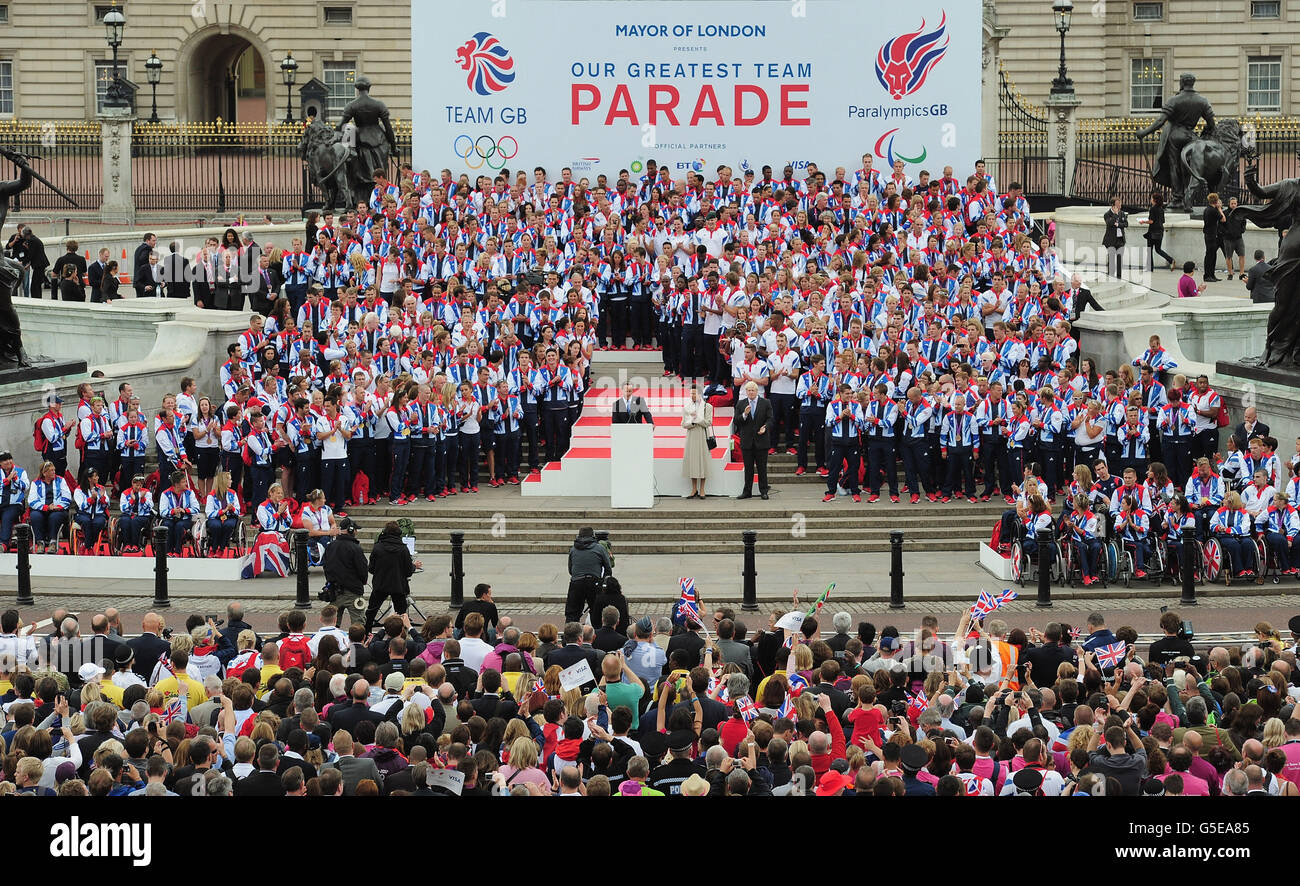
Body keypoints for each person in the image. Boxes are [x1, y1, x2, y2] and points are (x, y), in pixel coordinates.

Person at [365, 520, 420, 632]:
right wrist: (413, 566)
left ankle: (366, 632)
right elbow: (408, 571)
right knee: (402, 613)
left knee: (371, 611)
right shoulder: (403, 549)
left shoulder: (378, 547)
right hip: (398, 585)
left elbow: (371, 568)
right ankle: (401, 634)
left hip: (380, 584)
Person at [322, 517, 368, 622]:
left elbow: (326, 566)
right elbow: (362, 569)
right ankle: (357, 639)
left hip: (335, 590)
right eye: (355, 529)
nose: (356, 532)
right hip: (353, 590)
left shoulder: (331, 546)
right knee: (358, 623)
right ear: (351, 530)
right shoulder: (355, 548)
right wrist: (362, 581)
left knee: (331, 623)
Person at [733, 380, 771, 500]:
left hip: (762, 441)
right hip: (747, 441)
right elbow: (736, 421)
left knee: (762, 468)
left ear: (757, 391)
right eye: (748, 390)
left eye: (753, 390)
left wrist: (765, 427)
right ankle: (747, 491)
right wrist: (744, 414)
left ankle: (764, 491)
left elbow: (771, 419)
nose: (751, 392)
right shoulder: (740, 404)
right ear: (746, 392)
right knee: (748, 468)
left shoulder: (765, 402)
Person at [565, 526, 611, 625]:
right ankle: (597, 636)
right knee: (596, 613)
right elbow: (608, 568)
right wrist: (602, 581)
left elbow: (570, 570)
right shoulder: (599, 548)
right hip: (594, 582)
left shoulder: (573, 549)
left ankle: (570, 636)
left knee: (572, 613)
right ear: (593, 536)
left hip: (576, 582)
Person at [680, 383, 713, 499]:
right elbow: (683, 424)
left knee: (703, 461)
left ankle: (702, 489)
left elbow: (708, 422)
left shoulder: (707, 407)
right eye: (691, 393)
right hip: (692, 435)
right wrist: (692, 422)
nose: (692, 396)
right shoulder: (687, 407)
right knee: (692, 461)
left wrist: (697, 418)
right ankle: (694, 488)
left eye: (694, 393)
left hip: (703, 435)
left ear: (700, 394)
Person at [1140, 191, 1176, 271]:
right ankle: (1170, 260)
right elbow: (1163, 221)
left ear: (1154, 200)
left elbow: (1151, 221)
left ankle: (1150, 268)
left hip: (1152, 232)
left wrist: (1143, 221)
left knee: (1149, 250)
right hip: (1160, 231)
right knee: (1158, 249)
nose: (1151, 200)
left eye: (1152, 198)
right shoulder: (1161, 209)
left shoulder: (1153, 209)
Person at [1102, 198, 1127, 280]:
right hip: (1110, 240)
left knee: (1119, 257)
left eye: (1120, 204)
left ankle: (1119, 276)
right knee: (1111, 257)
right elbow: (1109, 223)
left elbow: (1126, 224)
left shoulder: (1122, 213)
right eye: (1117, 205)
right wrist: (1115, 215)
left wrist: (1118, 224)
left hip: (1120, 240)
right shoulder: (1107, 214)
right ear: (1113, 206)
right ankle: (1111, 275)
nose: (1119, 206)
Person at [1202, 193, 1225, 282]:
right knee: (1210, 255)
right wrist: (1219, 208)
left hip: (1209, 234)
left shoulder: (1207, 209)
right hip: (1211, 235)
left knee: (1212, 255)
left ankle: (1211, 274)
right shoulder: (1213, 210)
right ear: (1216, 201)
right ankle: (1208, 275)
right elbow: (1223, 219)